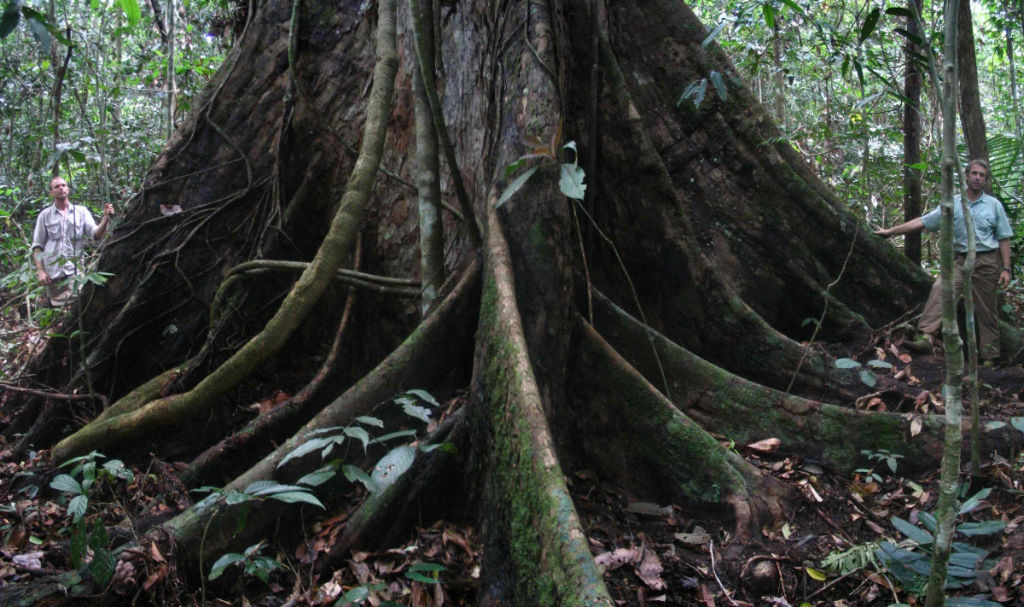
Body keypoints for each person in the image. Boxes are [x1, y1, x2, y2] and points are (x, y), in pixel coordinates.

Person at [876, 159, 1012, 361]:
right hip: (959, 261)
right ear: (966, 176)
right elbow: (923, 221)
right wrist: (890, 232)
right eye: (974, 173)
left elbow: (1003, 238)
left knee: (987, 311)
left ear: (985, 179)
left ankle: (990, 359)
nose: (977, 178)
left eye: (982, 175)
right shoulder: (953, 203)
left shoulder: (994, 206)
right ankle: (927, 337)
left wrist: (1006, 269)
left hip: (986, 263)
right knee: (941, 289)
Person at [31, 176, 115, 307]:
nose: (61, 188)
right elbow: (37, 246)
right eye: (57, 187)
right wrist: (40, 271)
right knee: (59, 313)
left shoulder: (80, 212)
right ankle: (53, 314)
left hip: (74, 270)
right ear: (51, 192)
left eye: (63, 185)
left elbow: (96, 234)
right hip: (53, 271)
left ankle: (50, 303)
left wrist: (105, 218)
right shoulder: (45, 215)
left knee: (80, 294)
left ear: (68, 189)